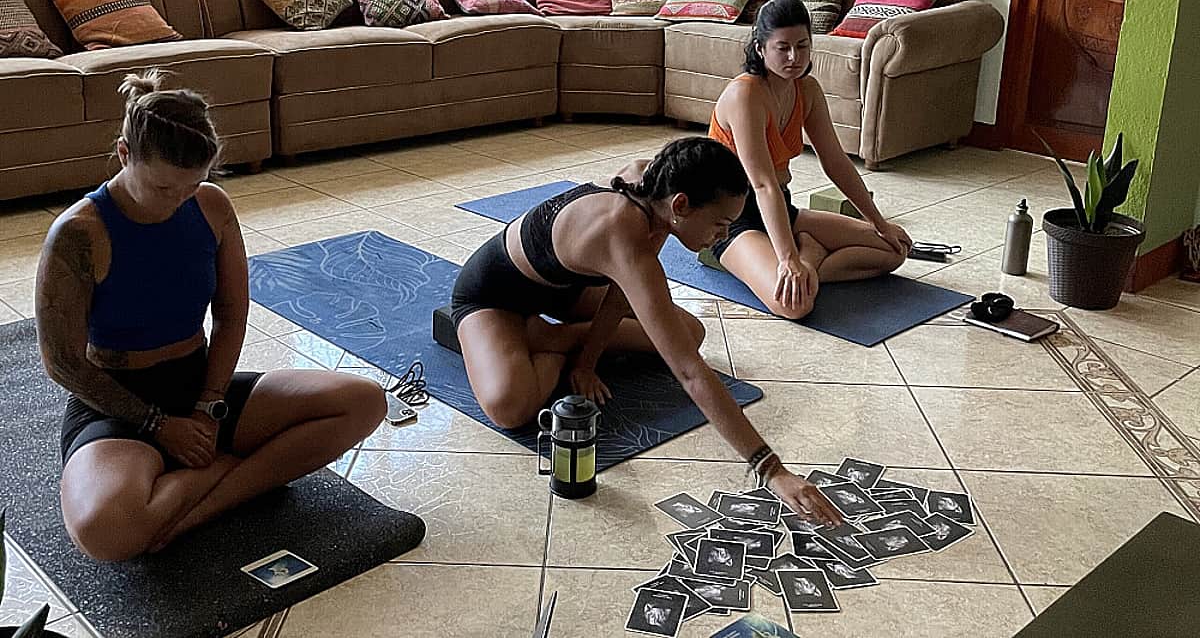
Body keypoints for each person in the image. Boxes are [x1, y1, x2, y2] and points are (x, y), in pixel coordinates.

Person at [36, 70, 386, 562]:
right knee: (105, 532)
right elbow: (63, 364)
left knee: (363, 401)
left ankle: (207, 497)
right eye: (162, 188)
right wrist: (160, 426)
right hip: (118, 401)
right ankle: (230, 469)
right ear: (123, 155)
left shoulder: (212, 206)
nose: (178, 200)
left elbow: (230, 312)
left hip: (200, 388)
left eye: (191, 186)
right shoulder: (77, 232)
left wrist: (207, 405)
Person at [451, 136, 842, 523]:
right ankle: (543, 340)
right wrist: (772, 470)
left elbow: (620, 294)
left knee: (689, 333)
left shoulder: (654, 184)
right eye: (720, 224)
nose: (722, 237)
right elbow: (689, 373)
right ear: (681, 205)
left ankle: (555, 337)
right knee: (510, 406)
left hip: (564, 290)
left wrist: (587, 364)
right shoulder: (624, 235)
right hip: (495, 293)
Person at [708, 0, 913, 319]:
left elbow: (836, 162)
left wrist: (879, 222)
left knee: (893, 251)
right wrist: (788, 258)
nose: (794, 57)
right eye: (783, 47)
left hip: (780, 210)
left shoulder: (808, 90)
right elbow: (762, 185)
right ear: (760, 48)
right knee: (795, 305)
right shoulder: (744, 94)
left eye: (803, 46)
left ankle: (810, 260)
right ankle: (806, 255)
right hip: (731, 220)